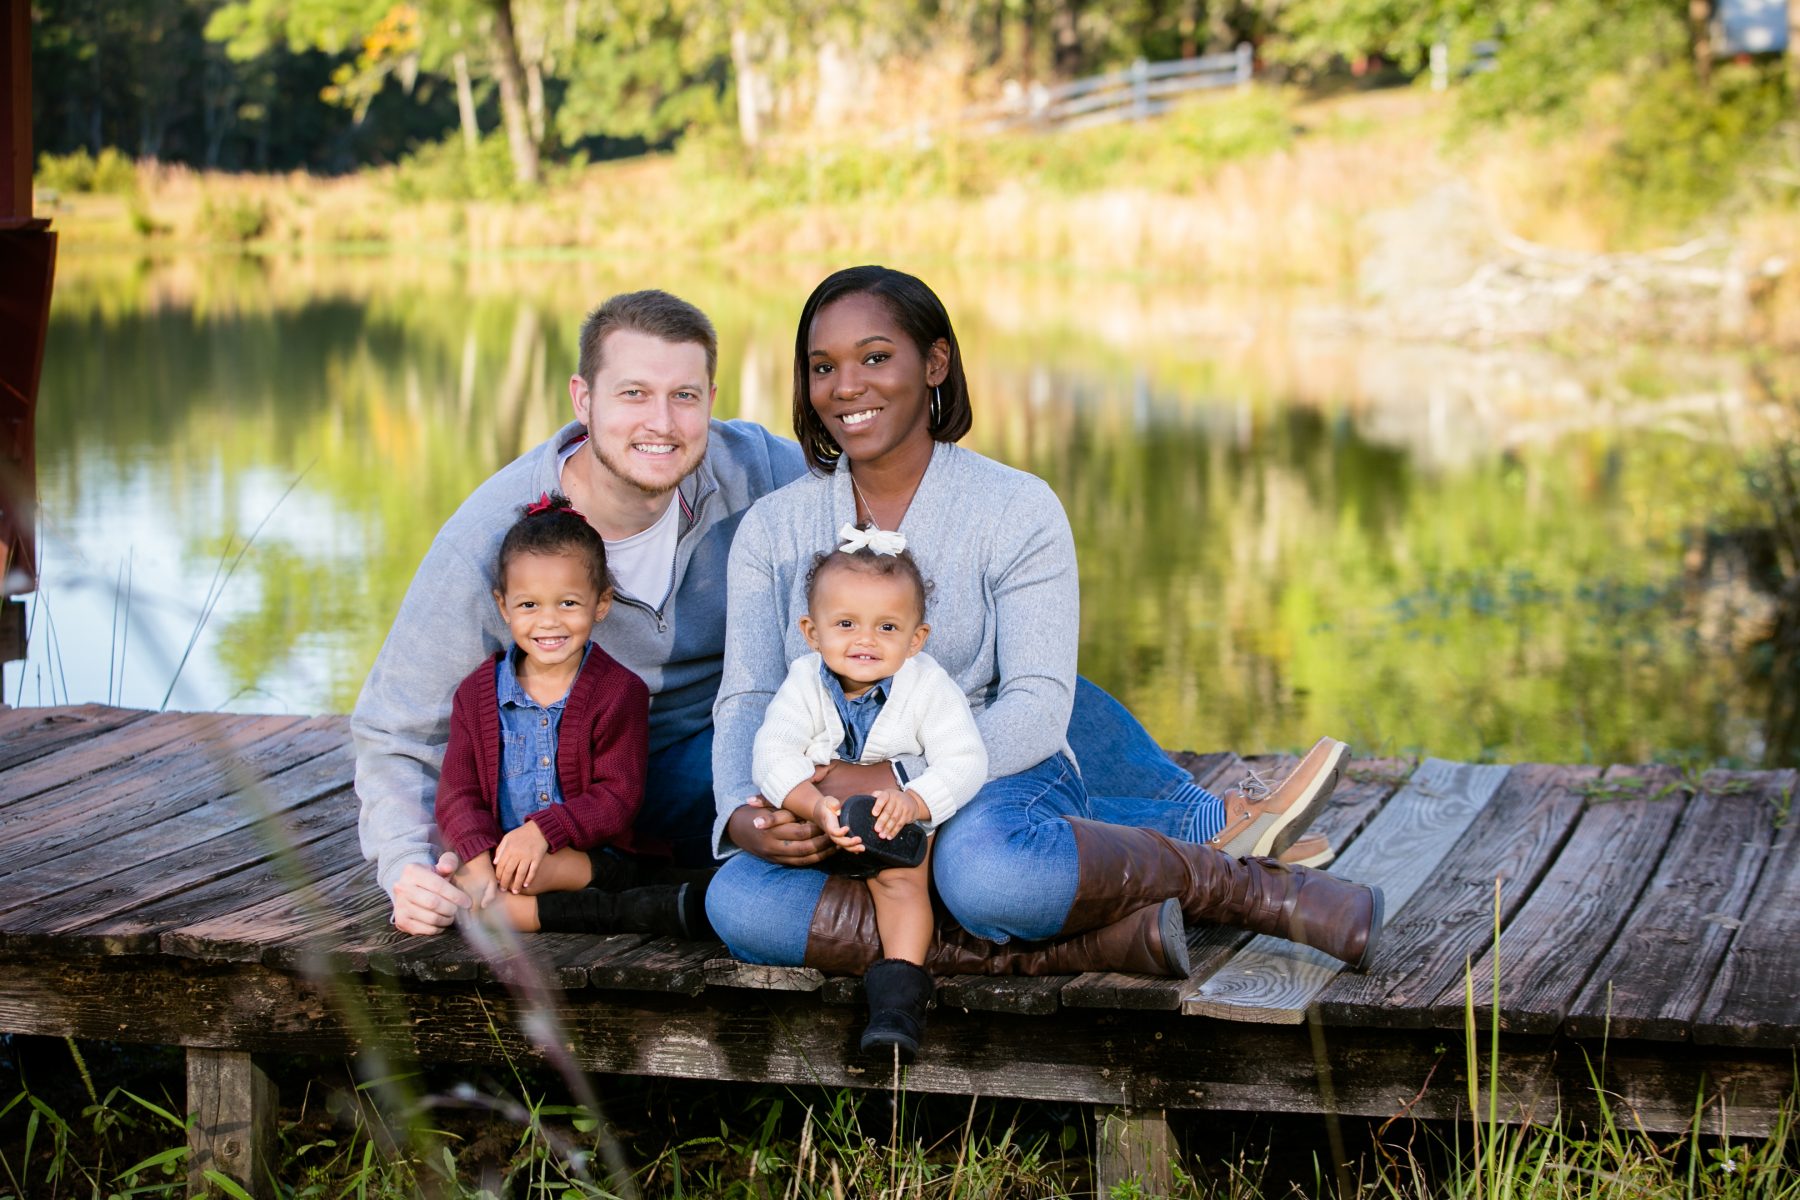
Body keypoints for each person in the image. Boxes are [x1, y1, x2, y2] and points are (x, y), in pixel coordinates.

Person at [707, 266, 1383, 1028]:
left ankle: (1238, 885)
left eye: (875, 357)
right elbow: (749, 696)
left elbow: (1036, 703)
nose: (846, 387)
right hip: (836, 805)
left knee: (991, 878)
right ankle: (1101, 938)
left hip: (992, 772)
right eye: (823, 367)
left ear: (935, 363)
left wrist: (901, 778)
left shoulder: (1017, 508)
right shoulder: (772, 528)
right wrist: (741, 814)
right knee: (740, 904)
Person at [355, 289, 806, 935]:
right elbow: (396, 730)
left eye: (684, 396)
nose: (661, 423)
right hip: (570, 792)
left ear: (711, 398)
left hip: (723, 757)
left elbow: (873, 491)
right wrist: (406, 864)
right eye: (633, 394)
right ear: (583, 399)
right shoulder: (492, 537)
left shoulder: (759, 470)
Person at [751, 532, 990, 1057]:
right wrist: (811, 804)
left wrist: (915, 800)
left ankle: (898, 1001)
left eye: (887, 627)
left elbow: (966, 759)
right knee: (752, 888)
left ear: (916, 638)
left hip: (890, 823)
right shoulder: (804, 682)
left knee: (900, 882)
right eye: (845, 624)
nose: (866, 640)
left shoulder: (929, 687)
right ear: (811, 632)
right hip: (822, 821)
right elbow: (771, 751)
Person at [433, 493, 706, 938]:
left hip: (593, 856)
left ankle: (581, 904)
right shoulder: (476, 695)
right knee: (466, 883)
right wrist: (478, 857)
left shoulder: (619, 692)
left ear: (601, 603)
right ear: (503, 606)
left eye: (568, 603)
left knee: (513, 885)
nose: (549, 621)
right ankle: (615, 910)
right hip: (502, 857)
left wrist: (542, 833)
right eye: (529, 605)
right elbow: (457, 793)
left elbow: (617, 796)